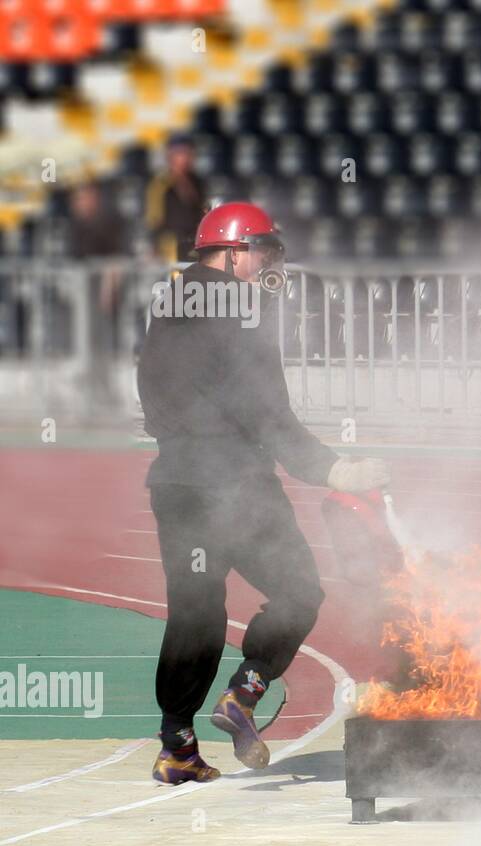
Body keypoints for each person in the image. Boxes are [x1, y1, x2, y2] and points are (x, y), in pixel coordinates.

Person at [137, 201, 390, 784]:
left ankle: (176, 744)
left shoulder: (168, 303)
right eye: (262, 251)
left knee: (195, 613)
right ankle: (245, 691)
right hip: (240, 485)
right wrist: (333, 470)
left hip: (176, 482)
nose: (269, 264)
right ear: (230, 250)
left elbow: (158, 394)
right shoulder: (246, 311)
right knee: (299, 590)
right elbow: (272, 416)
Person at [146, 134, 207, 262]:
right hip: (170, 246)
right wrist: (154, 248)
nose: (185, 158)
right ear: (170, 156)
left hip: (194, 243)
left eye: (188, 153)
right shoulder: (160, 184)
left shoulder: (197, 182)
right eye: (180, 153)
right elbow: (154, 220)